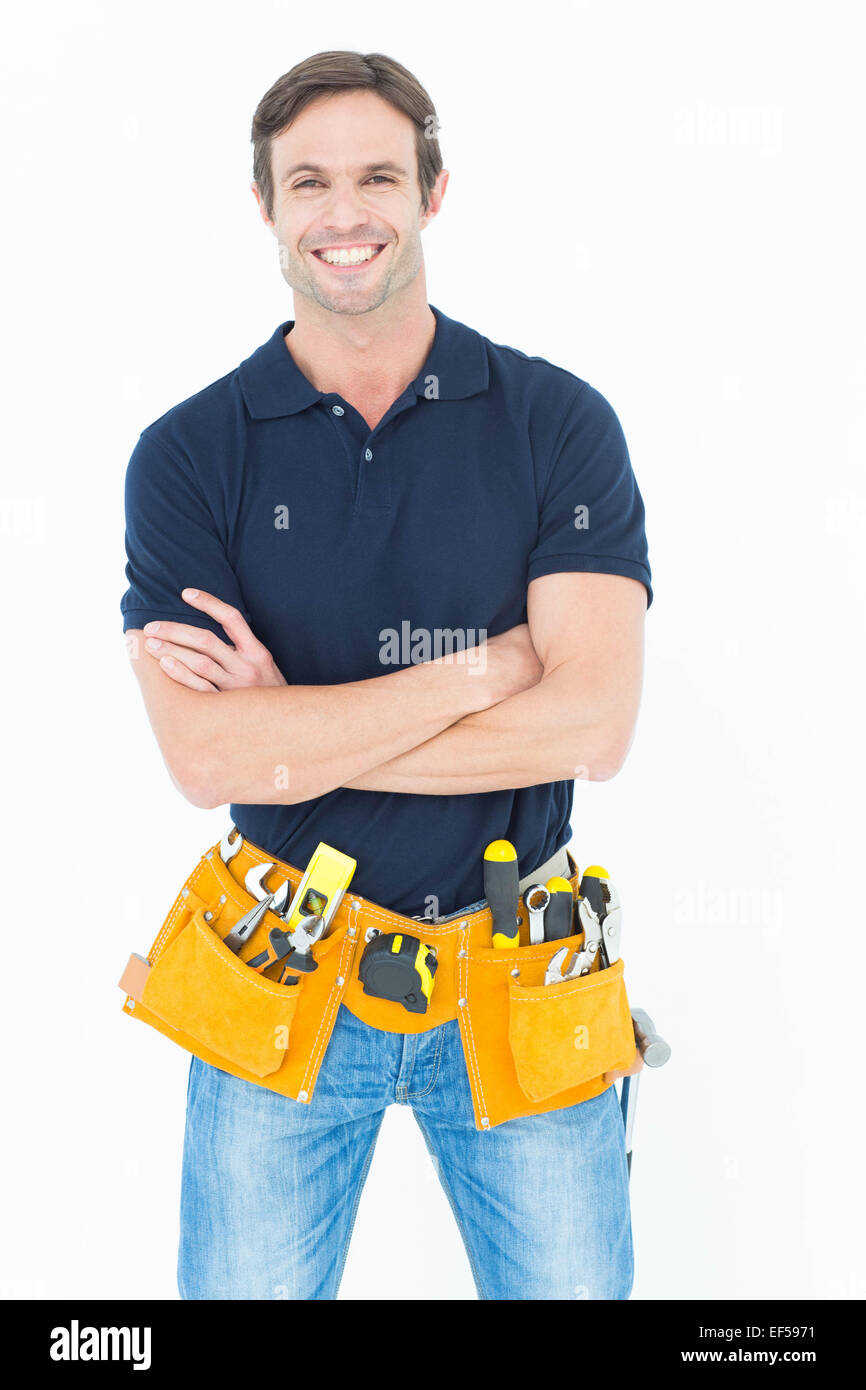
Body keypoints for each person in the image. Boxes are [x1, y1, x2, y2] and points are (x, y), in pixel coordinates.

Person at [121, 50, 652, 1300]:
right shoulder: (189, 455)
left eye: (376, 176)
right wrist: (483, 674)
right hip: (279, 965)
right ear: (267, 206)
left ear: (431, 193)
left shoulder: (553, 421)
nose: (343, 212)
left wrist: (292, 734)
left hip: (522, 962)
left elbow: (593, 725)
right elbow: (207, 761)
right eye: (308, 181)